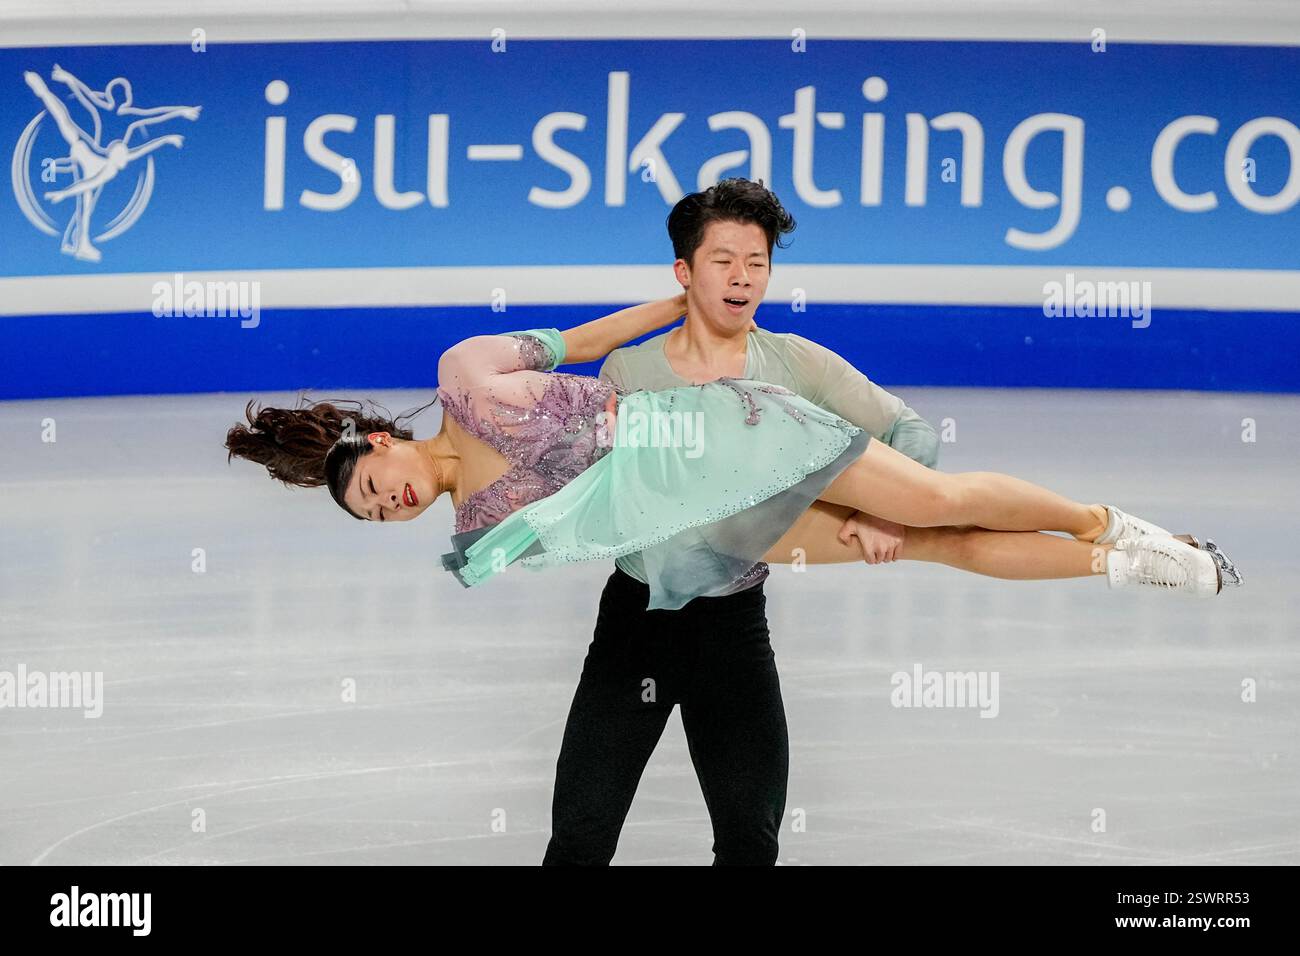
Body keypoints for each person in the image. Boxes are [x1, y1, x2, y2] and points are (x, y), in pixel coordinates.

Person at [542, 178, 942, 866]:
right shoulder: (628, 372)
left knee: (751, 842)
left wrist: (878, 512)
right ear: (684, 272)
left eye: (757, 263)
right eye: (724, 260)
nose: (743, 278)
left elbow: (910, 431)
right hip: (634, 629)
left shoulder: (795, 364)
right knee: (580, 838)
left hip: (732, 631)